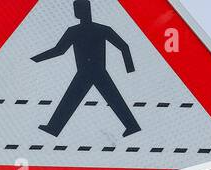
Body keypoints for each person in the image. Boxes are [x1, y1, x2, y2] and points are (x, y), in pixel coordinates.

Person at [31, 0, 140, 137]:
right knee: (112, 99)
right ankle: (132, 126)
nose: (76, 11)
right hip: (96, 71)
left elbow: (58, 51)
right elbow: (124, 46)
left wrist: (36, 59)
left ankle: (54, 128)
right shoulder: (100, 29)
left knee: (72, 99)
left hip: (87, 72)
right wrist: (129, 68)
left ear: (80, 11)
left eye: (77, 8)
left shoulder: (75, 31)